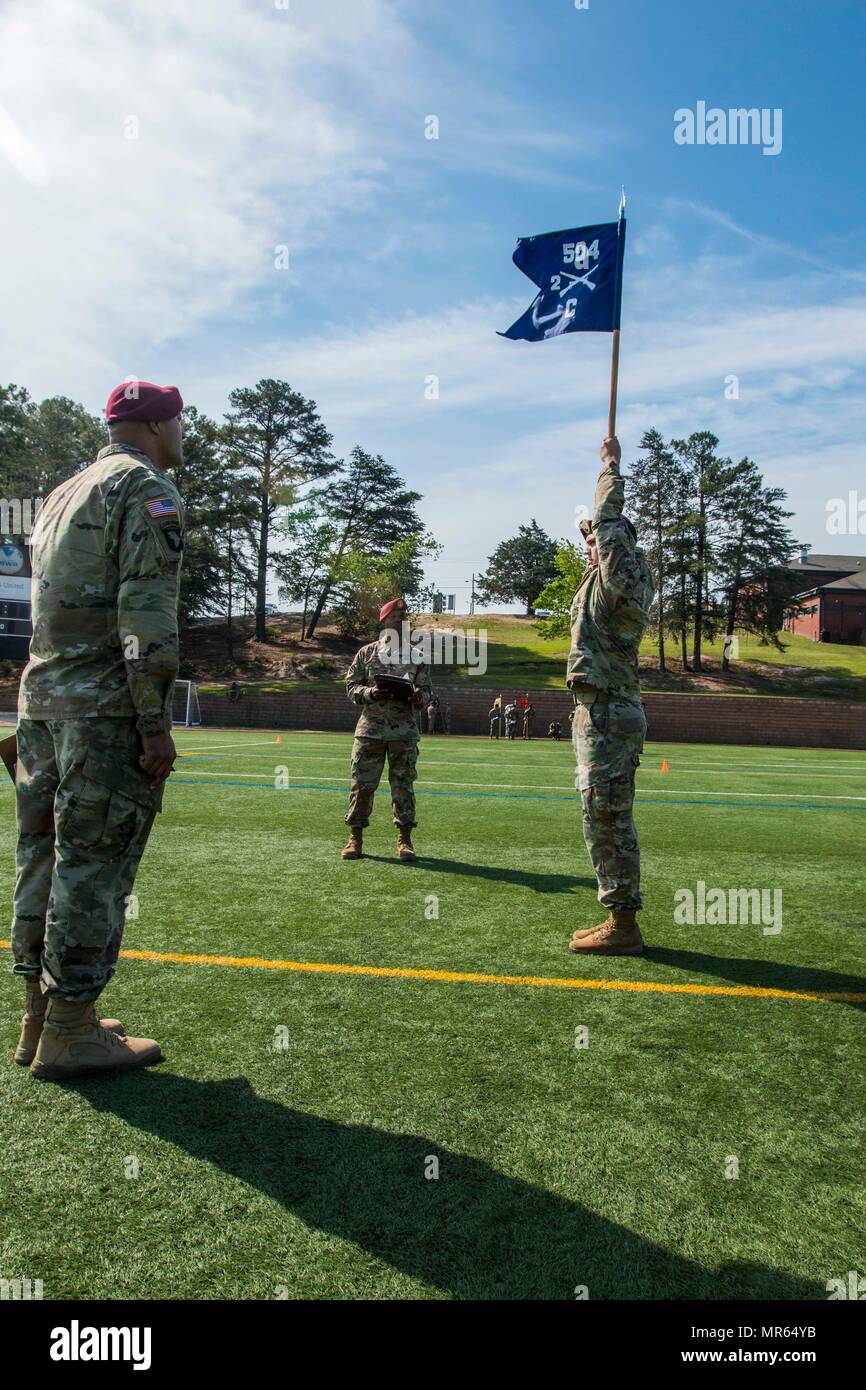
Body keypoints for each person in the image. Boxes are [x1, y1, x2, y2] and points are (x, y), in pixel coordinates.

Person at [12, 380, 186, 1079]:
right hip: (102, 710)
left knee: (43, 859)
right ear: (152, 425)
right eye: (179, 421)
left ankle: (37, 1019)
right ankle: (72, 1030)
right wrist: (154, 724)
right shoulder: (145, 492)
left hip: (42, 703)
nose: (183, 435)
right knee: (92, 866)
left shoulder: (63, 491)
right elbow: (146, 621)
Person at [566, 436, 654, 957]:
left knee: (608, 813)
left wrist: (609, 469)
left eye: (594, 540)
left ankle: (624, 923)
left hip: (610, 711)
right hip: (600, 708)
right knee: (601, 812)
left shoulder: (623, 574)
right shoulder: (603, 583)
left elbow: (609, 525)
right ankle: (616, 914)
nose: (588, 545)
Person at [342, 597, 432, 862]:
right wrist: (371, 692)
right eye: (395, 619)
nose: (401, 624)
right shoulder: (366, 654)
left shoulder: (417, 657)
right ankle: (355, 838)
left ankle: (405, 840)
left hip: (403, 733)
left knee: (403, 786)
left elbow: (427, 691)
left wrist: (419, 697)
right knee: (362, 786)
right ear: (383, 622)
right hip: (370, 731)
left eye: (404, 620)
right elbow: (350, 688)